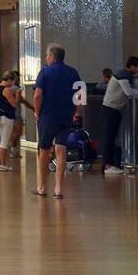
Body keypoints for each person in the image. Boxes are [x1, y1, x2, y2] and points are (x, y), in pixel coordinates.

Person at [33, 44, 84, 199]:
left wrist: (37, 112)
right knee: (61, 150)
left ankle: (42, 187)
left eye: (47, 55)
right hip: (66, 117)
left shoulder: (45, 72)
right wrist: (77, 113)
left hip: (48, 117)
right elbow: (81, 96)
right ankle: (59, 188)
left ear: (52, 56)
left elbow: (37, 96)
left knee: (44, 150)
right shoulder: (73, 72)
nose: (46, 58)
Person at [100, 56, 138, 175]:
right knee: (109, 137)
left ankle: (113, 164)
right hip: (111, 109)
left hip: (115, 109)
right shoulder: (122, 74)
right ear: (132, 66)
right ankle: (107, 165)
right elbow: (129, 92)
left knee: (113, 137)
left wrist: (136, 79)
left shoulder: (129, 75)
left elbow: (134, 88)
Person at [0, 71, 22, 171]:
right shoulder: (6, 90)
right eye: (13, 81)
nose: (13, 83)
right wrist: (18, 94)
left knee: (2, 141)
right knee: (4, 143)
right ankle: (3, 164)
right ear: (9, 80)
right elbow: (14, 104)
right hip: (7, 117)